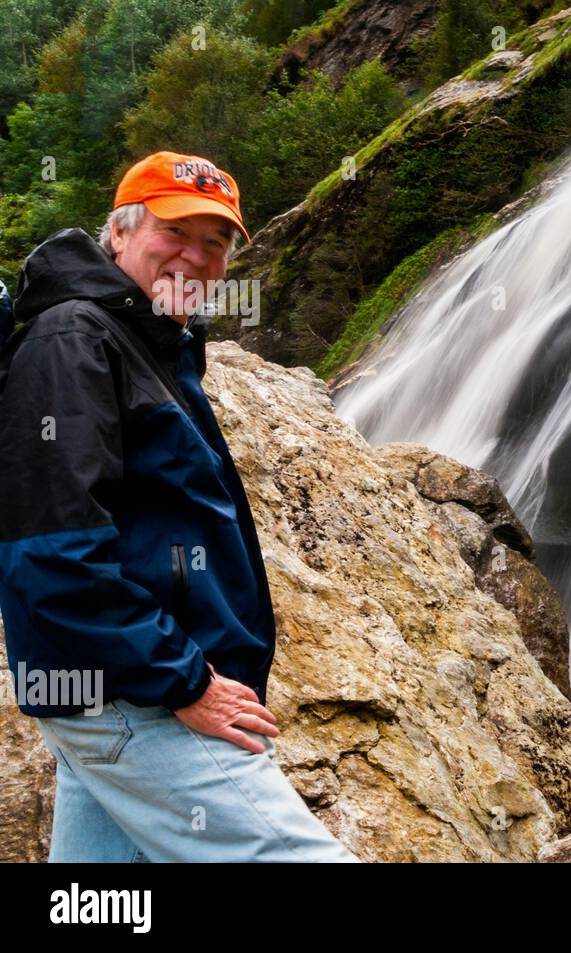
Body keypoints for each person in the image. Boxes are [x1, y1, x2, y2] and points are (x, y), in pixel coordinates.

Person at [0, 151, 360, 862]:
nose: (196, 257)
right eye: (176, 231)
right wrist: (184, 679)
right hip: (137, 698)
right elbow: (52, 558)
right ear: (121, 233)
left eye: (216, 241)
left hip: (109, 693)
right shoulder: (76, 340)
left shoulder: (150, 339)